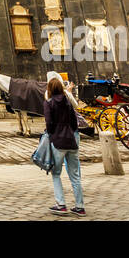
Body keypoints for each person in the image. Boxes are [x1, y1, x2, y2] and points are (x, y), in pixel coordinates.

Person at [44, 72, 84, 216]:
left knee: (56, 173)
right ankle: (80, 207)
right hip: (72, 140)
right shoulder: (68, 102)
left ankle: (61, 204)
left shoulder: (49, 103)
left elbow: (49, 123)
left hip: (58, 142)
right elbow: (74, 121)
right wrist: (71, 132)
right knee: (75, 175)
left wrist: (52, 134)